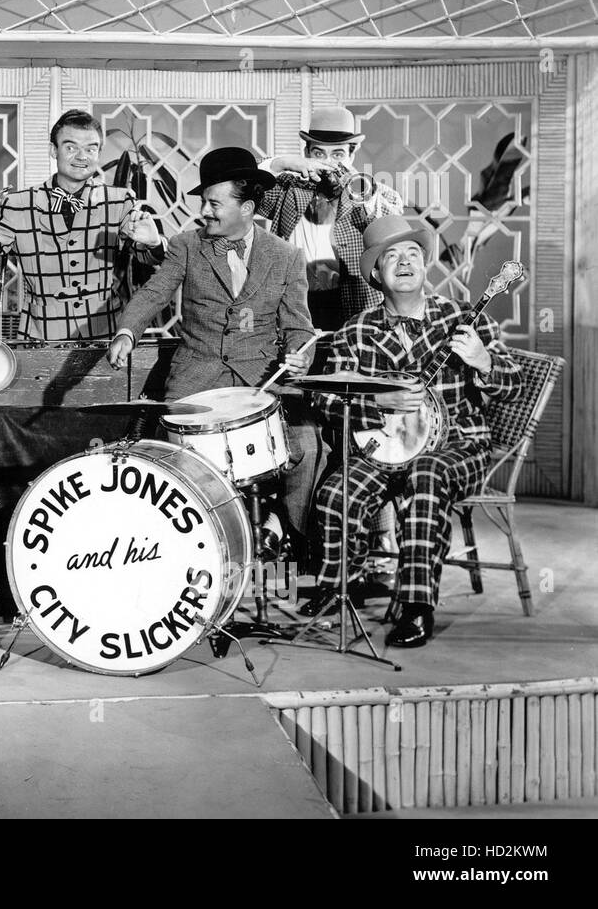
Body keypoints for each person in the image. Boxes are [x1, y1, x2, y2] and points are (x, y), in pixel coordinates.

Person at [297, 216, 523, 648]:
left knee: (427, 477)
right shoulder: (356, 331)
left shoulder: (462, 319)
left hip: (458, 446)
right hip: (386, 450)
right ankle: (338, 587)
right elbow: (324, 398)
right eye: (391, 256)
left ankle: (417, 606)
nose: (404, 263)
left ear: (426, 266)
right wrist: (375, 403)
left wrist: (482, 361)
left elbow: (512, 387)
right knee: (335, 491)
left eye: (413, 254)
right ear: (377, 274)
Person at [107, 146, 321, 550]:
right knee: (179, 464)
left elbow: (299, 326)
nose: (204, 211)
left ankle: (283, 532)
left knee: (307, 446)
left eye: (214, 203)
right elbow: (154, 294)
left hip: (263, 382)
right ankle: (196, 549)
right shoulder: (187, 246)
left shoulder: (287, 256)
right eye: (204, 202)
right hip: (198, 379)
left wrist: (299, 356)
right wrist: (127, 334)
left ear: (248, 207)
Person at [0, 108, 165, 340]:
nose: (82, 157)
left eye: (90, 149)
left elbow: (146, 257)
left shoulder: (119, 201)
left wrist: (153, 242)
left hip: (104, 334)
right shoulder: (18, 204)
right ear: (53, 150)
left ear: (99, 153)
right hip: (40, 336)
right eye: (71, 147)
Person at [259, 107, 404, 337]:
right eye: (319, 154)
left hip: (354, 302)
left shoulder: (377, 194)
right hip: (294, 299)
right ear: (306, 153)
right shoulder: (288, 189)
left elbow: (392, 233)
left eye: (338, 154)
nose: (328, 163)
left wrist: (358, 190)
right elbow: (242, 187)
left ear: (351, 156)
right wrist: (283, 162)